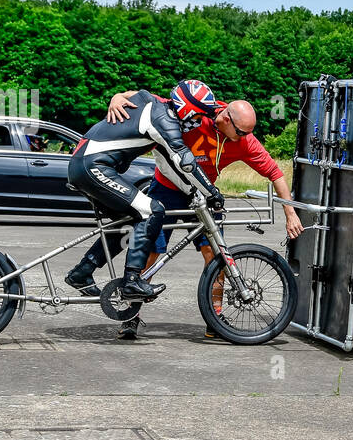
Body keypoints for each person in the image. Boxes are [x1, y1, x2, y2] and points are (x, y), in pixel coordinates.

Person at [105, 88, 303, 339]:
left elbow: (276, 174)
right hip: (166, 188)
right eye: (241, 132)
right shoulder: (199, 111)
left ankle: (215, 318)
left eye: (247, 133)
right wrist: (117, 98)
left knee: (217, 255)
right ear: (226, 118)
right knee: (151, 251)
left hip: (203, 194)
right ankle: (131, 315)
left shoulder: (243, 140)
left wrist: (290, 213)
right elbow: (150, 99)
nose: (244, 138)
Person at [63, 80, 224, 312]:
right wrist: (213, 193)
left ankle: (82, 273)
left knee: (129, 220)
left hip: (84, 164)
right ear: (188, 110)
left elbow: (172, 166)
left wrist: (195, 192)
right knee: (153, 210)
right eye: (198, 116)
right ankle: (131, 282)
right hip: (94, 166)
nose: (199, 122)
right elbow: (186, 161)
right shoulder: (164, 120)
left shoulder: (154, 107)